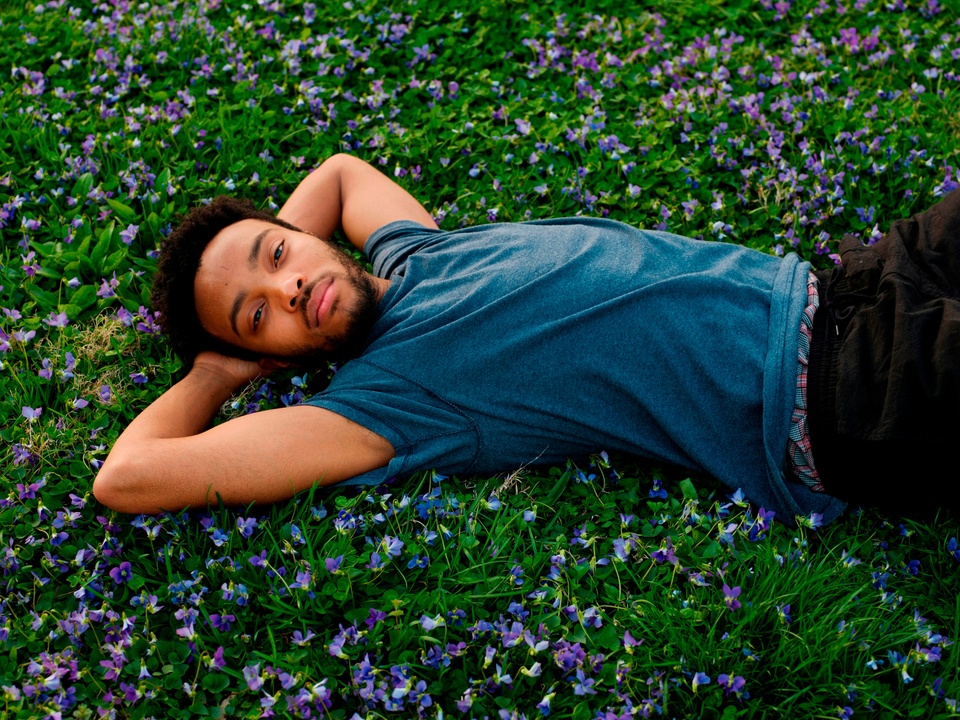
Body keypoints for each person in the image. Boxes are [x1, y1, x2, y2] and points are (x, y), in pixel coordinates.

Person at [93, 154, 960, 524]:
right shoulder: (379, 405)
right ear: (272, 352)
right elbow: (127, 478)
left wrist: (275, 250)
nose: (288, 288)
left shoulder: (413, 249)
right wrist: (221, 370)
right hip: (847, 392)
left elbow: (339, 176)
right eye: (259, 313)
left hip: (856, 279)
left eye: (276, 255)